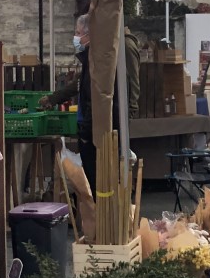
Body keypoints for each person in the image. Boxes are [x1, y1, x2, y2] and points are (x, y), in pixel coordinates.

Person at [40, 13, 140, 192]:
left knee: (104, 183)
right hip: (95, 126)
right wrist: (55, 98)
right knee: (98, 183)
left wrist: (88, 131)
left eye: (79, 33)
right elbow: (81, 82)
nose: (76, 37)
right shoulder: (96, 53)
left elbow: (127, 87)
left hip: (106, 127)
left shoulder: (121, 47)